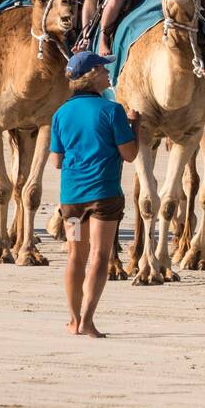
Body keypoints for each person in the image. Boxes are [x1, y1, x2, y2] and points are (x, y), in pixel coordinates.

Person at [50, 51, 140, 339]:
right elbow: (130, 155)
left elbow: (57, 161)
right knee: (100, 255)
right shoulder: (112, 111)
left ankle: (73, 320)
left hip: (72, 201)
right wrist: (134, 125)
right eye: (102, 68)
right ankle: (88, 320)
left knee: (76, 255)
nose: (107, 72)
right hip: (104, 198)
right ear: (90, 76)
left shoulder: (60, 113)